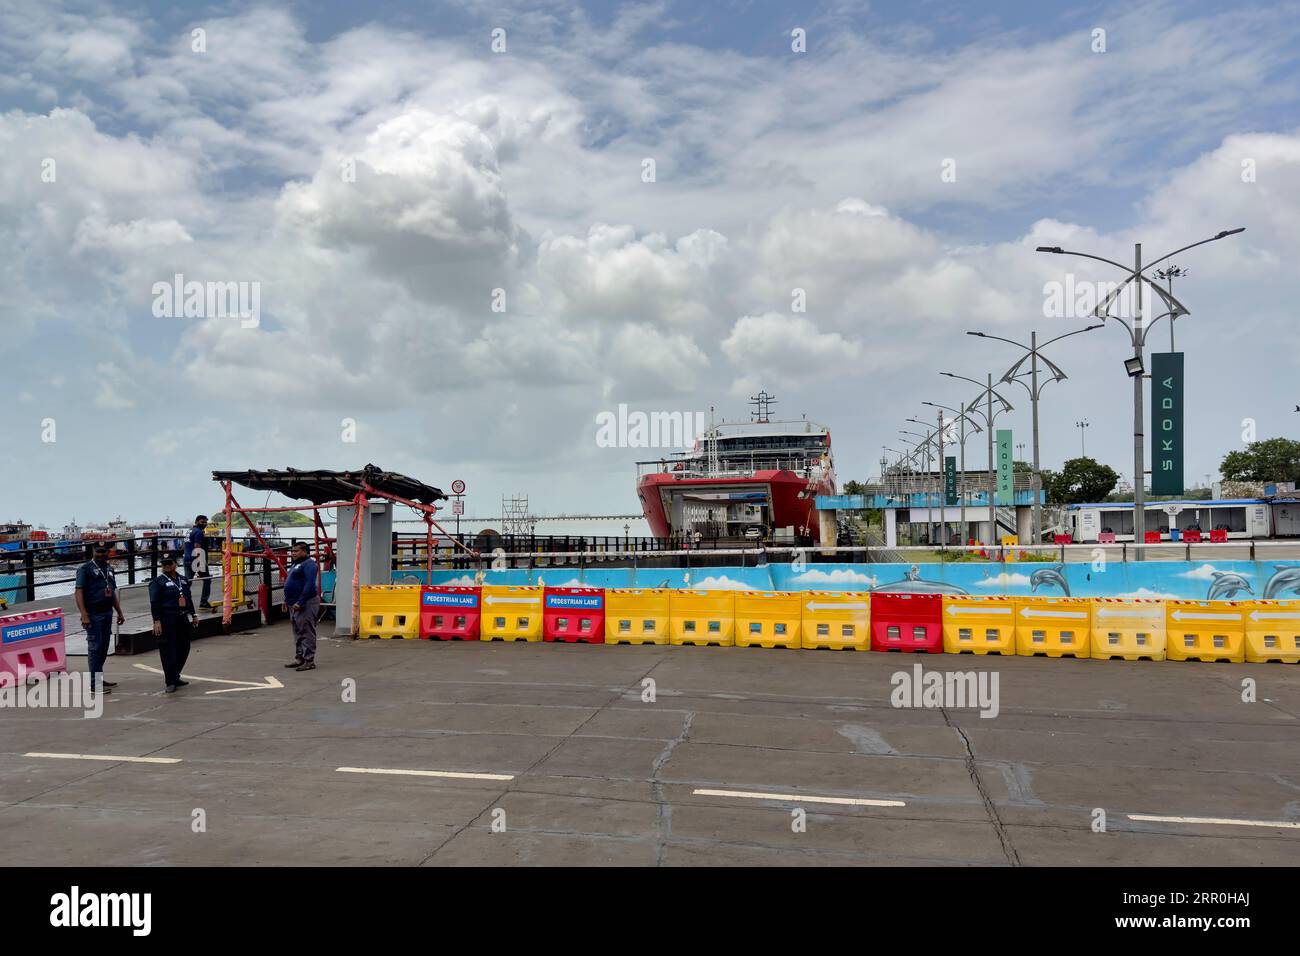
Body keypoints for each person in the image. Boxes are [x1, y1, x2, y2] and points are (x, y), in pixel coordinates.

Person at [74, 544, 124, 694]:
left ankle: (99, 677)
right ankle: (95, 685)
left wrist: (119, 612)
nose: (101, 554)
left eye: (103, 552)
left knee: (103, 648)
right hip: (93, 614)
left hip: (107, 612)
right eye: (98, 551)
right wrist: (84, 614)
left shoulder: (109, 569)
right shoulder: (85, 569)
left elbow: (112, 592)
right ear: (94, 552)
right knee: (95, 649)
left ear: (107, 552)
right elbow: (78, 592)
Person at [149, 556, 198, 693]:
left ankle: (175, 675)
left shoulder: (183, 580)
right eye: (164, 564)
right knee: (168, 650)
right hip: (167, 619)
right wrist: (156, 621)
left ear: (175, 564)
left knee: (184, 647)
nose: (166, 566)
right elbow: (154, 603)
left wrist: (193, 615)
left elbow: (188, 598)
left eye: (169, 563)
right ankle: (170, 681)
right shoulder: (158, 582)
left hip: (182, 618)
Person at [282, 542, 319, 671]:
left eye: (296, 551)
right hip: (293, 603)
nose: (293, 553)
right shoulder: (296, 564)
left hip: (306, 603)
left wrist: (301, 601)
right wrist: (286, 600)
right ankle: (300, 658)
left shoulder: (309, 564)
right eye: (292, 551)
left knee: (306, 631)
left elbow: (309, 585)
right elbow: (290, 583)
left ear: (305, 551)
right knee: (297, 632)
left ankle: (309, 660)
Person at [183, 514, 212, 611]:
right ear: (197, 522)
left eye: (205, 522)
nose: (204, 524)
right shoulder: (199, 532)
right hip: (196, 559)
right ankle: (203, 602)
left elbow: (186, 545)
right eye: (202, 522)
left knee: (187, 583)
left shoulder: (189, 531)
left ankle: (183, 605)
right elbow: (197, 547)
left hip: (186, 559)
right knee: (207, 580)